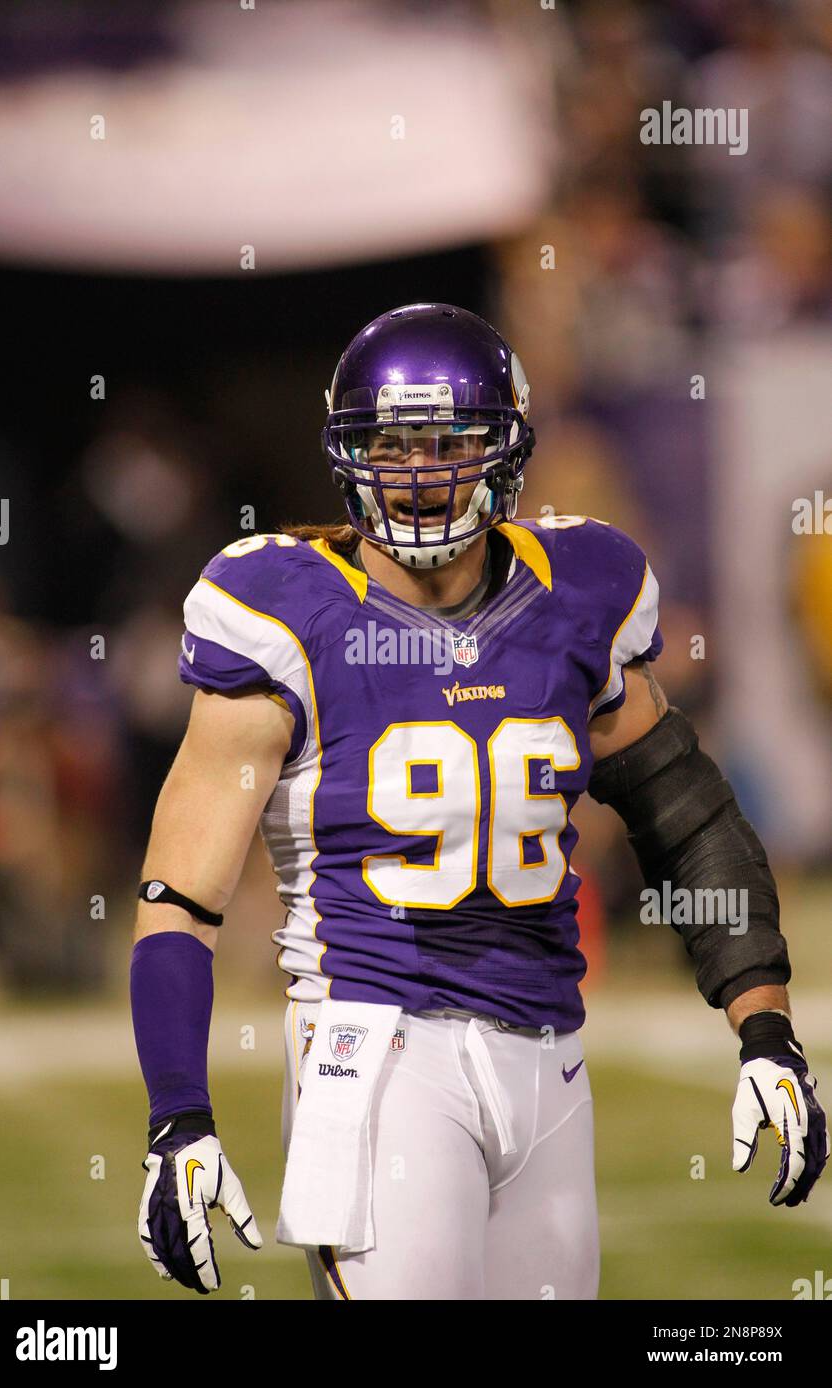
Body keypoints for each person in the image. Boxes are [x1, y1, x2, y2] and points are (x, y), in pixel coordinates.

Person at [131, 303, 828, 1300]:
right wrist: (176, 1113)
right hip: (374, 1055)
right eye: (391, 443)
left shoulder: (575, 589)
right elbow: (179, 898)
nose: (417, 471)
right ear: (347, 452)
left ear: (504, 449)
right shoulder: (280, 612)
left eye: (448, 441)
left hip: (549, 1060)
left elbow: (686, 811)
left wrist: (763, 1028)